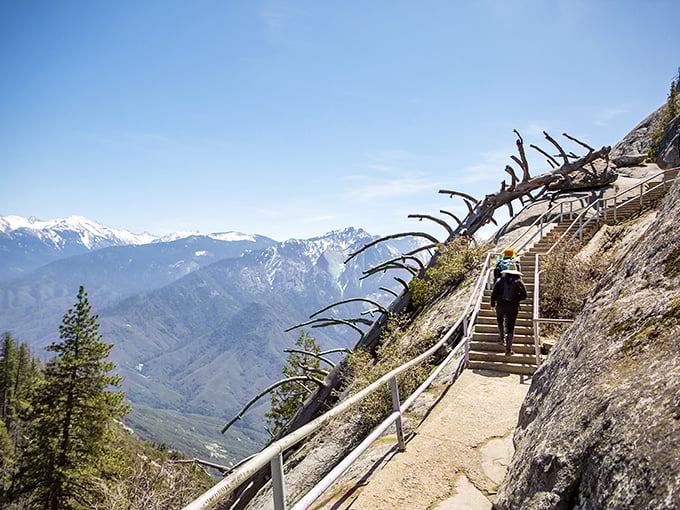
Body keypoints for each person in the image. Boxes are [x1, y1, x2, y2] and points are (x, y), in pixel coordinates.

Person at [490, 265, 528, 356]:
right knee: (511, 327)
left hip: (501, 305)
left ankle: (501, 338)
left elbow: (494, 292)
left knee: (500, 319)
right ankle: (508, 349)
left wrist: (492, 303)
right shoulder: (519, 282)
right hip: (513, 307)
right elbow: (524, 295)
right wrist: (516, 299)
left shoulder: (501, 280)